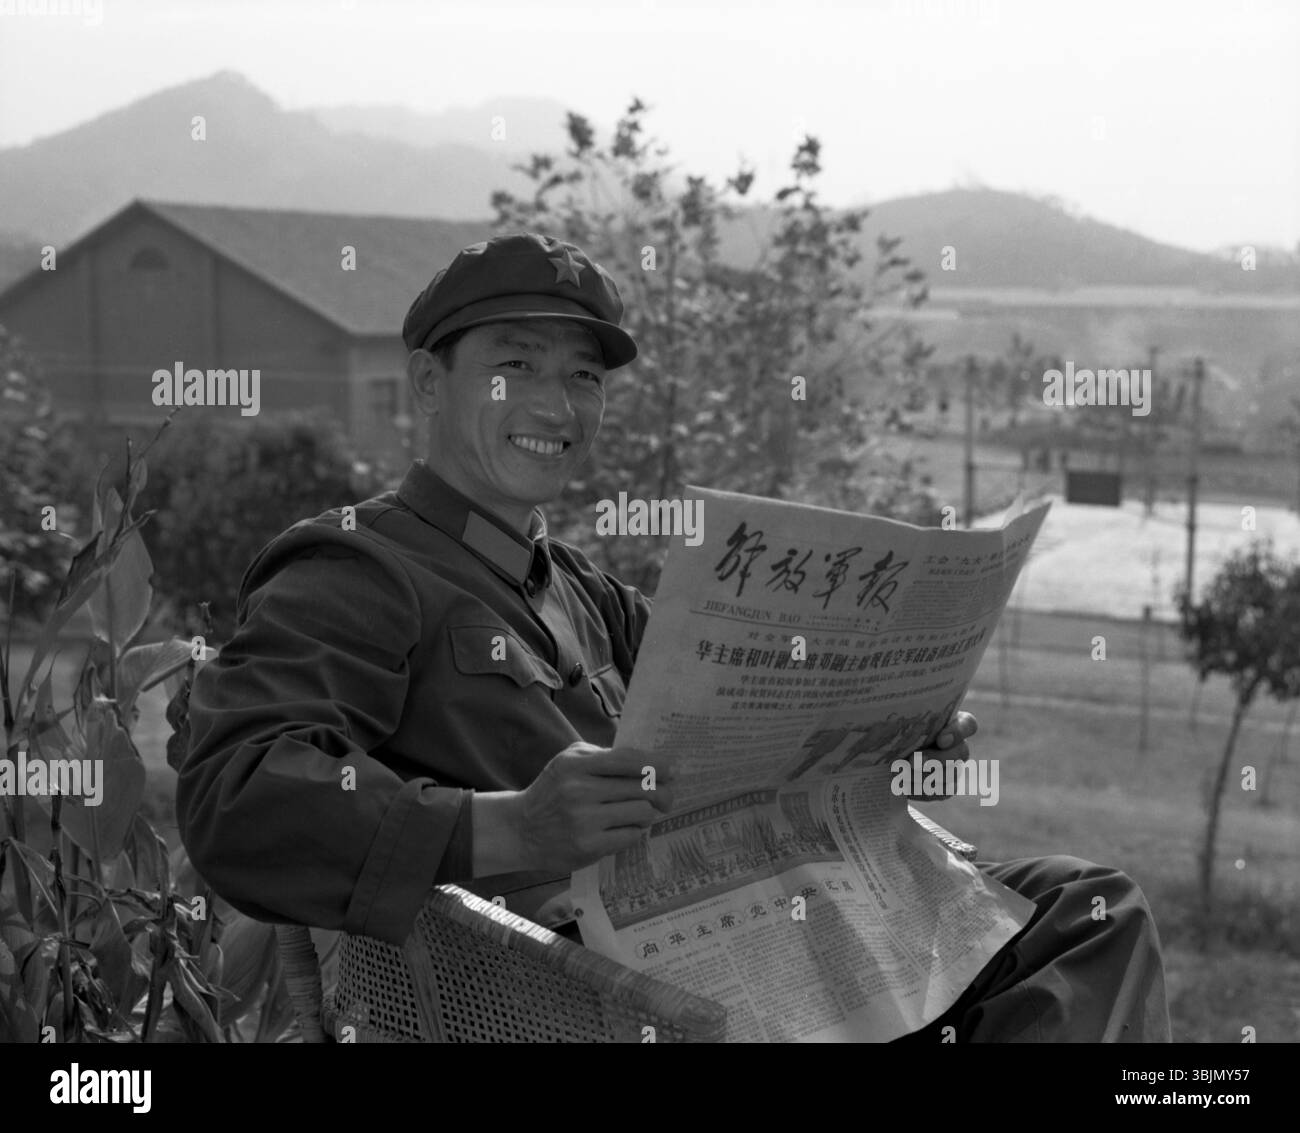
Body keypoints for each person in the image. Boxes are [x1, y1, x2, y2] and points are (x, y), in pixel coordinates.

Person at [175, 232, 1170, 1042]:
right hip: (588, 1002)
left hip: (753, 921)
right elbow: (236, 793)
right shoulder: (359, 569)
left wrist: (889, 719)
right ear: (430, 384)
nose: (556, 405)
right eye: (513, 366)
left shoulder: (581, 591)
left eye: (582, 378)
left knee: (1087, 908)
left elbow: (770, 702)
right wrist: (508, 824)